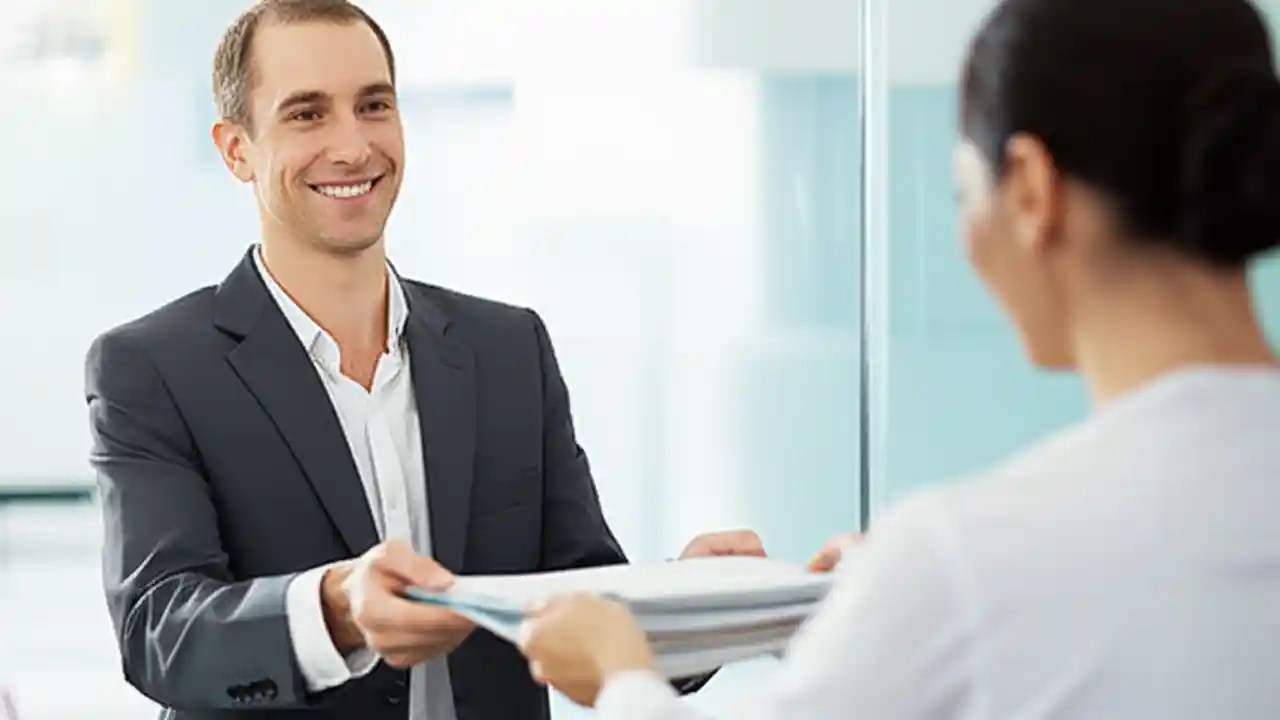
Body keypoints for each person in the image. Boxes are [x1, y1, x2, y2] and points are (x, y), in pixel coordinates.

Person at [516, 0, 1280, 717]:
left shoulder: (971, 556)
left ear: (1030, 191)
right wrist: (898, 612)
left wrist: (623, 671)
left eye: (961, 193)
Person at [83, 1, 765, 718]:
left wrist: (694, 604)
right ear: (236, 149)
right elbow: (161, 630)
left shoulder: (510, 351)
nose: (353, 146)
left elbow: (580, 611)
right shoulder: (152, 368)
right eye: (307, 114)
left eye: (373, 106)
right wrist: (335, 608)